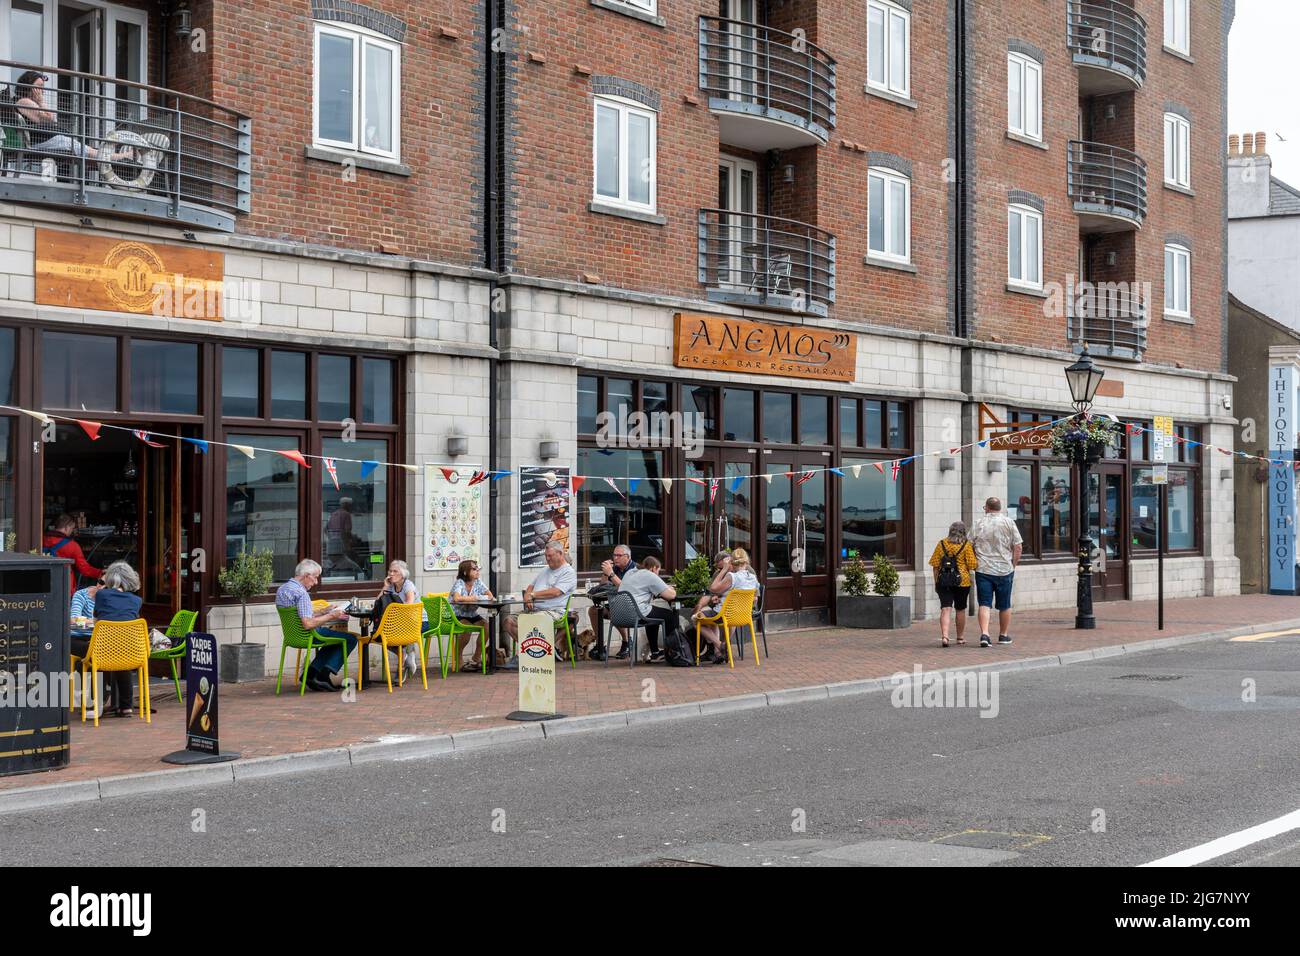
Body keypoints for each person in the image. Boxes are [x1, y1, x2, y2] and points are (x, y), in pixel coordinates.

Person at [275, 558, 357, 691]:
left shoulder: (282, 589)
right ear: (306, 576)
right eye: (315, 577)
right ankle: (322, 675)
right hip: (308, 635)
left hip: (292, 636)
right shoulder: (302, 593)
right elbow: (307, 624)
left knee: (334, 640)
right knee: (350, 639)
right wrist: (332, 615)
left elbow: (299, 615)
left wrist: (323, 611)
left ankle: (310, 675)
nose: (316, 582)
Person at [9, 71, 128, 161]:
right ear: (29, 87)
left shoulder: (26, 102)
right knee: (85, 150)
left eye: (43, 88)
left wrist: (40, 101)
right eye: (39, 87)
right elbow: (50, 119)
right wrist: (40, 101)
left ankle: (116, 154)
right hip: (41, 141)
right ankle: (119, 157)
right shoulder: (23, 101)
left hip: (49, 139)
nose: (42, 91)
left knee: (85, 149)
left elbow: (51, 119)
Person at [74, 561, 143, 718]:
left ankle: (94, 705)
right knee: (120, 656)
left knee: (73, 645)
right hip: (132, 651)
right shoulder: (136, 600)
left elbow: (97, 621)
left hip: (103, 649)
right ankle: (126, 707)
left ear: (110, 578)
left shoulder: (102, 594)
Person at [503, 540, 577, 660]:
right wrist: (527, 596)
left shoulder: (568, 572)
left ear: (560, 554)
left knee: (533, 621)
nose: (547, 558)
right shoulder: (545, 570)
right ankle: (532, 651)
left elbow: (556, 592)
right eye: (545, 555)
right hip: (535, 610)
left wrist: (533, 595)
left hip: (554, 611)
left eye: (550, 556)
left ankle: (528, 655)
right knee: (508, 621)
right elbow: (530, 586)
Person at [970, 496, 1023, 648]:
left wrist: (976, 560)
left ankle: (985, 634)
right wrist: (1013, 564)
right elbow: (1018, 546)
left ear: (987, 507)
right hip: (1004, 569)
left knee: (984, 603)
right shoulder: (1008, 522)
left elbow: (969, 544)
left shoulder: (978, 523)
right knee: (1005, 605)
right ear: (999, 508)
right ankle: (1003, 635)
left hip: (983, 568)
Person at [694, 548, 760, 664]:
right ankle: (719, 650)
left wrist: (724, 570)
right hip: (743, 615)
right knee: (711, 614)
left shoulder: (731, 576)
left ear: (731, 561)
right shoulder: (753, 578)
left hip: (726, 614)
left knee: (695, 619)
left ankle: (720, 646)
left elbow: (713, 588)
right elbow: (754, 597)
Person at [615, 556, 679, 662]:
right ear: (654, 568)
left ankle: (655, 653)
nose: (657, 575)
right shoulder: (649, 575)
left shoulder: (630, 572)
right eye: (658, 571)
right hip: (636, 614)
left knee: (652, 614)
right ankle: (673, 652)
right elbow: (671, 596)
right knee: (669, 616)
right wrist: (671, 589)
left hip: (620, 615)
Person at [927, 521, 978, 647]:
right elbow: (973, 565)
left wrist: (936, 582)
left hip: (943, 581)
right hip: (962, 581)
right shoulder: (966, 545)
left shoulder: (941, 544)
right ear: (964, 532)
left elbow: (935, 565)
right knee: (960, 609)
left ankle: (945, 636)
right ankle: (960, 638)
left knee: (945, 608)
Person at [375, 559, 426, 680]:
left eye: (395, 571)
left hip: (418, 622)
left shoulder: (408, 585)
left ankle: (404, 663)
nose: (391, 574)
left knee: (396, 636)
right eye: (390, 571)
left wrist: (393, 611)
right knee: (381, 636)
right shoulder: (391, 587)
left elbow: (409, 604)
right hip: (400, 622)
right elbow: (377, 603)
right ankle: (405, 655)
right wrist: (385, 587)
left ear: (402, 574)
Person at [585, 544, 637, 661]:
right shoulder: (615, 568)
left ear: (627, 557)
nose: (615, 558)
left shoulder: (634, 569)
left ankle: (626, 641)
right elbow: (603, 586)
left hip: (632, 607)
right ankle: (600, 645)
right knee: (593, 610)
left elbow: (626, 588)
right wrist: (605, 573)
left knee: (614, 612)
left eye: (619, 555)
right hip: (614, 603)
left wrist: (611, 574)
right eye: (614, 555)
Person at [450, 559, 493, 670]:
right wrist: (472, 598)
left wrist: (482, 597)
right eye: (474, 569)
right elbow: (456, 598)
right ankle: (458, 657)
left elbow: (490, 595)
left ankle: (476, 656)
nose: (477, 571)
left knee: (487, 626)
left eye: (477, 568)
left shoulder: (478, 582)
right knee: (467, 628)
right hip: (456, 614)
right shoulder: (460, 582)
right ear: (465, 572)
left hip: (471, 613)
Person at [43, 514, 102, 595]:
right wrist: (100, 573)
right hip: (64, 585)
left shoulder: (40, 540)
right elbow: (84, 569)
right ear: (67, 527)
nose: (71, 531)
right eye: (72, 528)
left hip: (43, 582)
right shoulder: (72, 545)